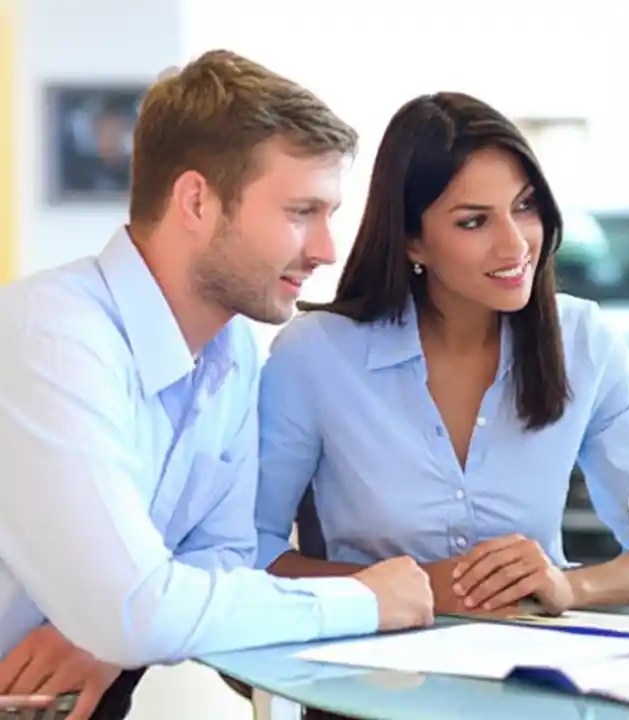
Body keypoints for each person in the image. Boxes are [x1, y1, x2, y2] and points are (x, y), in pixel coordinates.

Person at [0, 50, 435, 720]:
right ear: (196, 200)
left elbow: (222, 560)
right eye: (301, 212)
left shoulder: (229, 349)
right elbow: (136, 611)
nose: (325, 249)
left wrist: (116, 623)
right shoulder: (52, 340)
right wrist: (366, 599)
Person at [254, 92, 629, 618]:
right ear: (413, 241)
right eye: (474, 222)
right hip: (369, 680)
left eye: (524, 207)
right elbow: (251, 552)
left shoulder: (585, 342)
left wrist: (570, 587)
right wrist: (400, 589)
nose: (515, 246)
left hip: (535, 675)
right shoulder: (316, 355)